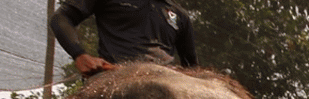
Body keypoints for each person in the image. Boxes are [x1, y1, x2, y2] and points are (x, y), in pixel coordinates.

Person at [51, 0, 199, 78]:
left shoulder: (180, 15)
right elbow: (61, 18)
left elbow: (191, 65)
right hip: (111, 81)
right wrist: (79, 55)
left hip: (163, 88)